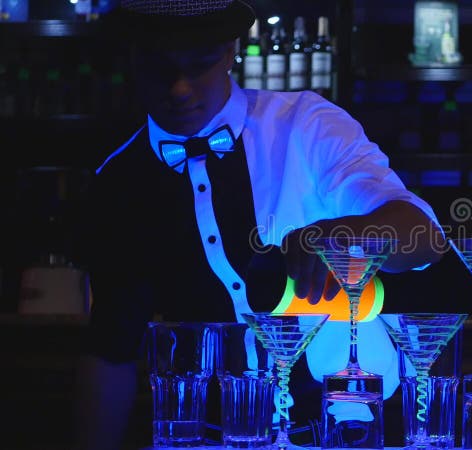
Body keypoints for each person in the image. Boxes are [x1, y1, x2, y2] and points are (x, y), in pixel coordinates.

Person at [73, 1, 443, 449]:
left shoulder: (304, 125)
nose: (180, 88)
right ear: (133, 58)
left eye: (199, 64)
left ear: (231, 50)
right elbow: (112, 350)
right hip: (207, 437)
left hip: (347, 430)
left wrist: (345, 234)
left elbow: (424, 237)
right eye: (159, 68)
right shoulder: (117, 183)